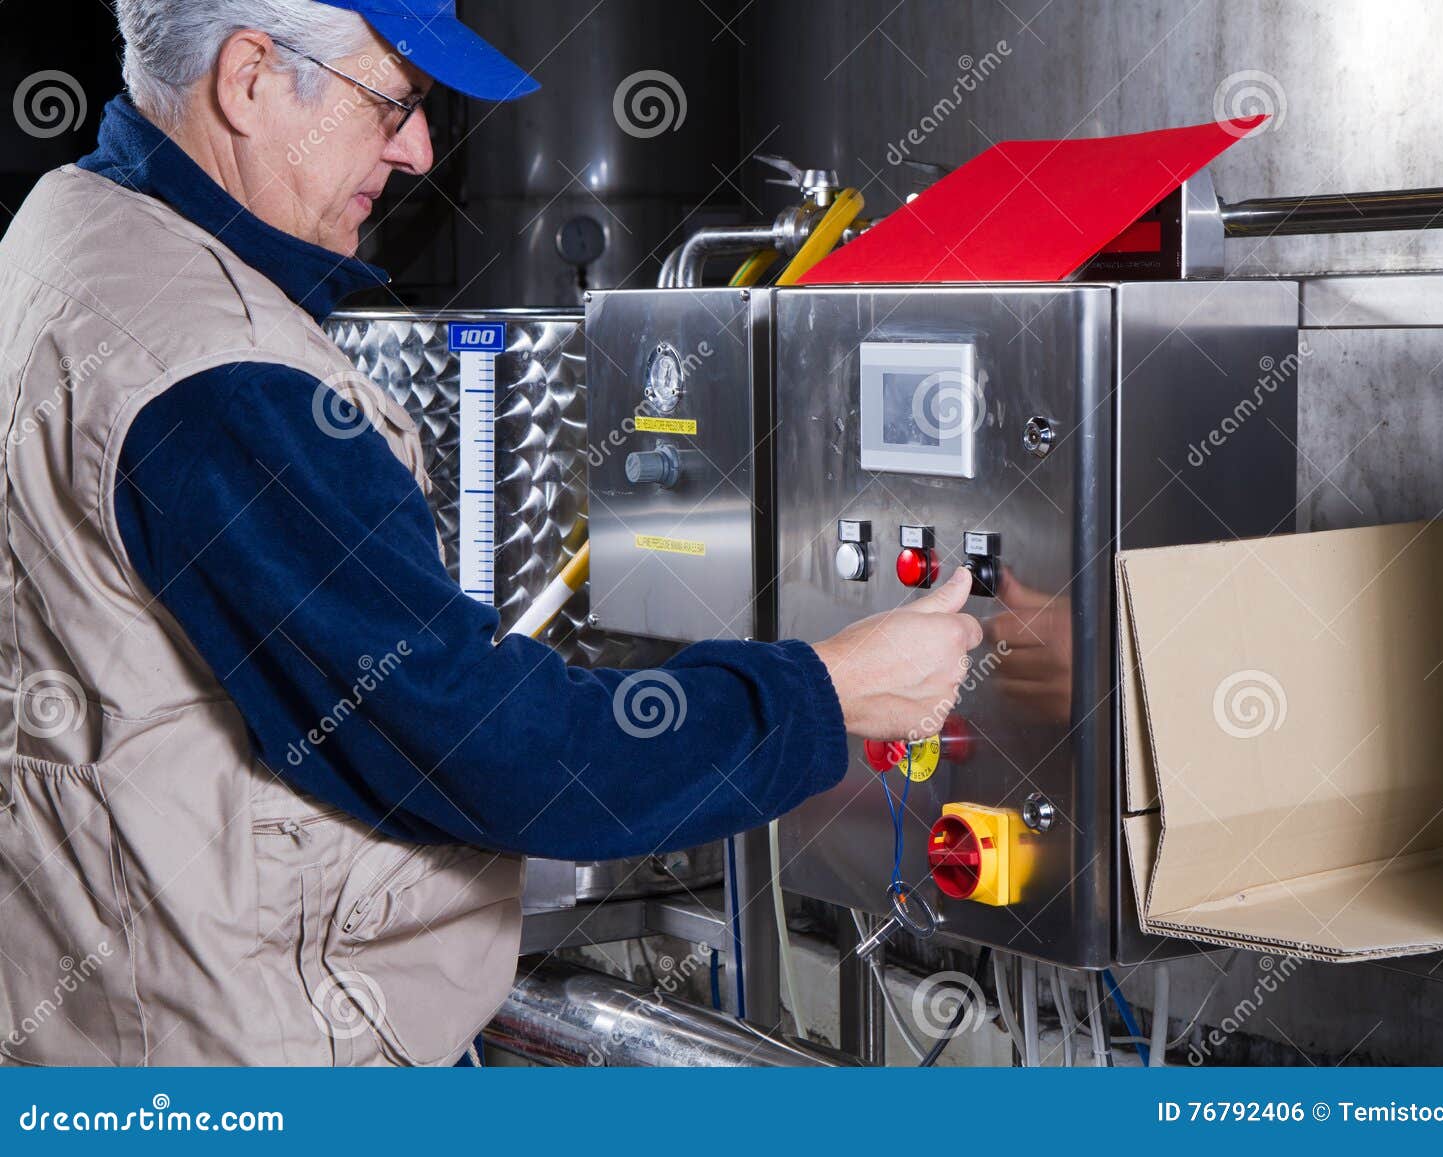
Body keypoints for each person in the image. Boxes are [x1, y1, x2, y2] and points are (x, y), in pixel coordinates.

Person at [0, 0, 980, 1065]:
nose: (417, 152)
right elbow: (480, 748)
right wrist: (824, 694)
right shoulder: (221, 380)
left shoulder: (65, 240)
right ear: (249, 80)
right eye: (395, 104)